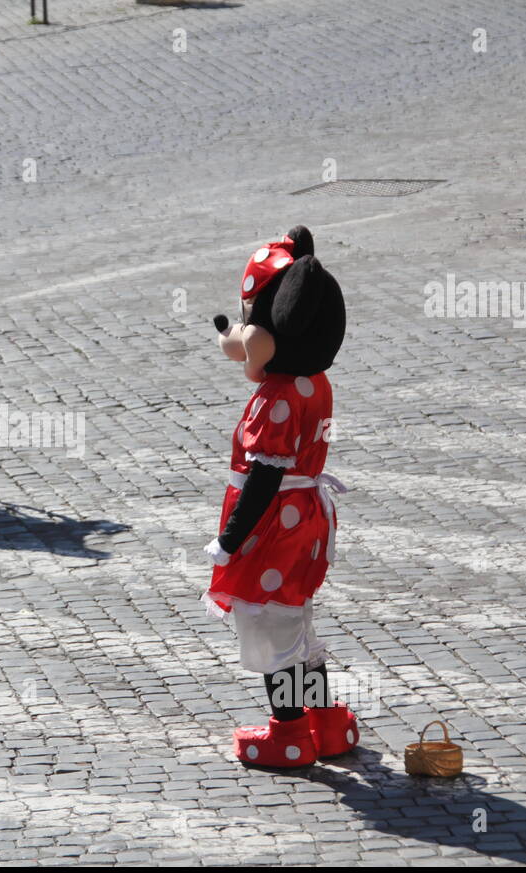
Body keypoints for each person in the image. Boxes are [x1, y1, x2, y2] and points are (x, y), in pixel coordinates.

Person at [202, 226, 357, 768]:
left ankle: (289, 733)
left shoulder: (277, 399)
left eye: (248, 323)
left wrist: (229, 539)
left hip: (273, 530)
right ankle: (327, 724)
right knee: (297, 625)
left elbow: (265, 476)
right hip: (305, 521)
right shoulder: (314, 382)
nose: (238, 333)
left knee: (273, 633)